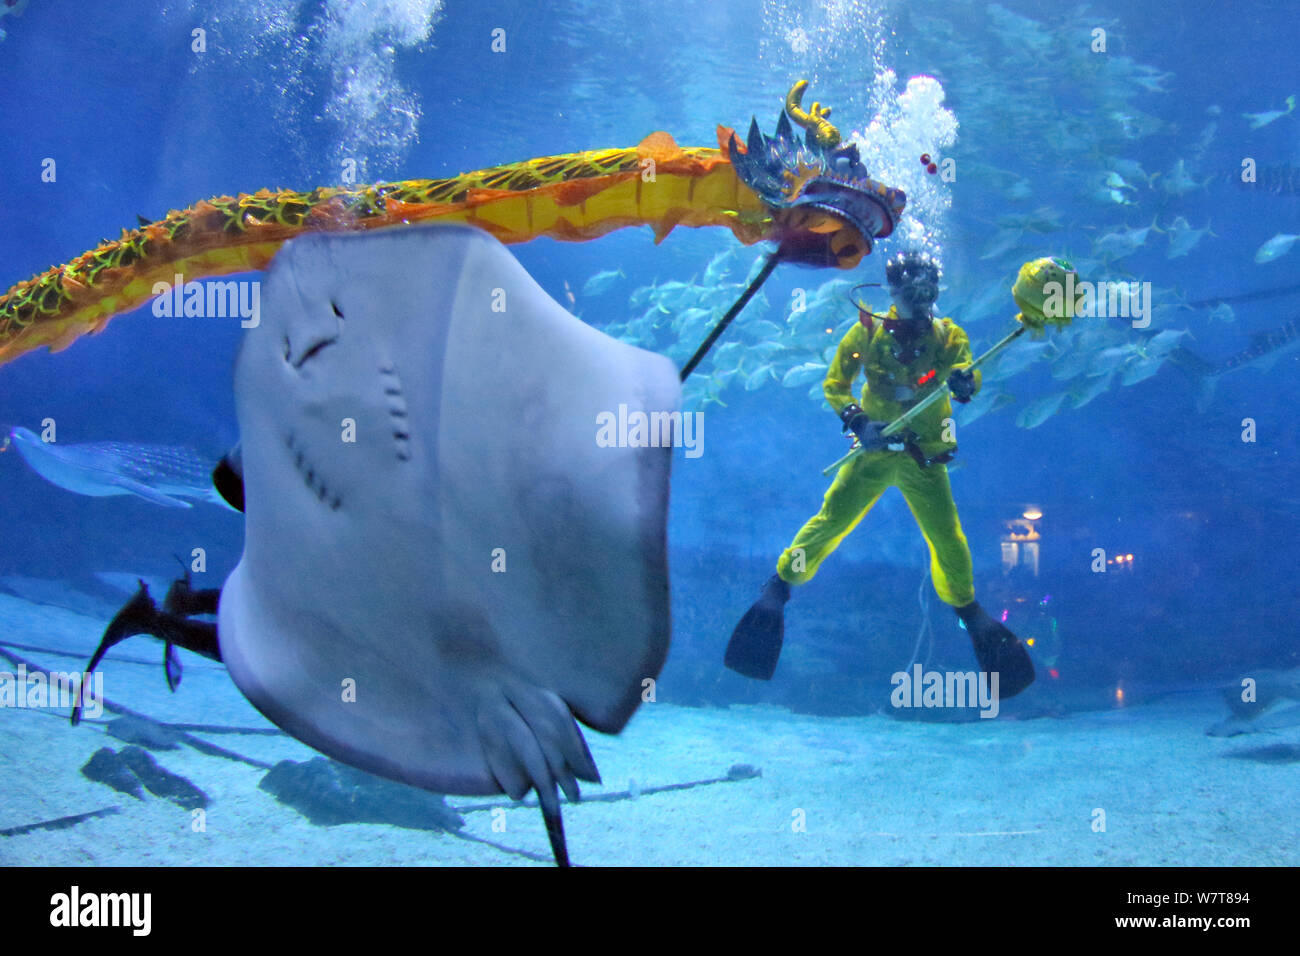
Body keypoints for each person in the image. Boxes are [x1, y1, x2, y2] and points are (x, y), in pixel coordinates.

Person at [724, 250, 1035, 697]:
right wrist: (857, 421)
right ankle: (779, 586)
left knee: (947, 537)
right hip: (871, 455)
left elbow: (965, 369)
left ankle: (967, 609)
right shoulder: (865, 333)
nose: (923, 300)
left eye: (929, 290)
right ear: (892, 292)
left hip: (923, 458)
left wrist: (967, 384)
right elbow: (835, 383)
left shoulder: (948, 337)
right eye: (914, 291)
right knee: (832, 522)